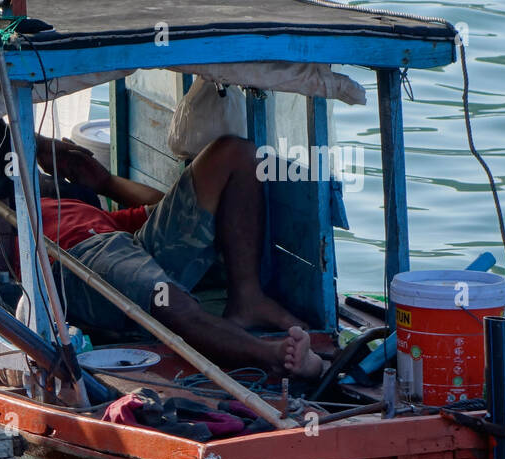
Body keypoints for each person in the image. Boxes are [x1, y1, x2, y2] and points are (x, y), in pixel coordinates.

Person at [27, 133, 328, 381]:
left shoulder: (92, 211)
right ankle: (276, 357)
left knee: (234, 152)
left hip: (127, 243)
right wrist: (39, 145)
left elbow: (165, 205)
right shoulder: (12, 212)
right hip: (71, 261)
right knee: (166, 296)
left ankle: (247, 299)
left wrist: (107, 183)